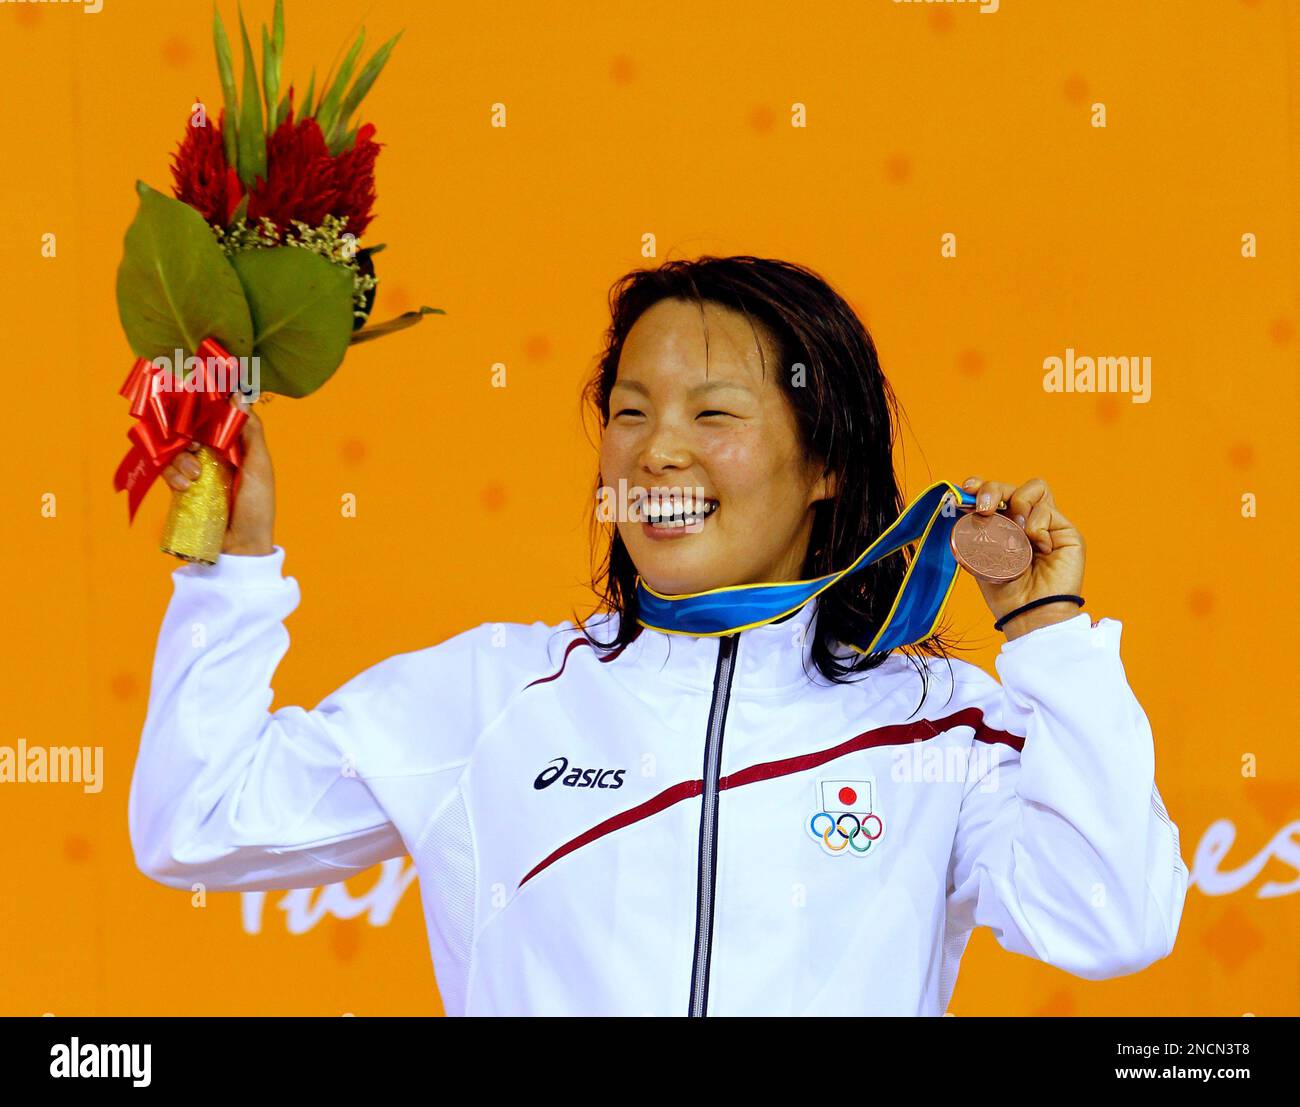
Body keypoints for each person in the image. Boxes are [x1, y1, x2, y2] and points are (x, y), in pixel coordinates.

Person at [128, 256, 1188, 1016]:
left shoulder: (934, 731)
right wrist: (230, 566)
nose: (656, 453)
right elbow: (196, 822)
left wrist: (1045, 632)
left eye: (712, 416)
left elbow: (1109, 922)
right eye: (630, 413)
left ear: (827, 464)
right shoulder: (490, 695)